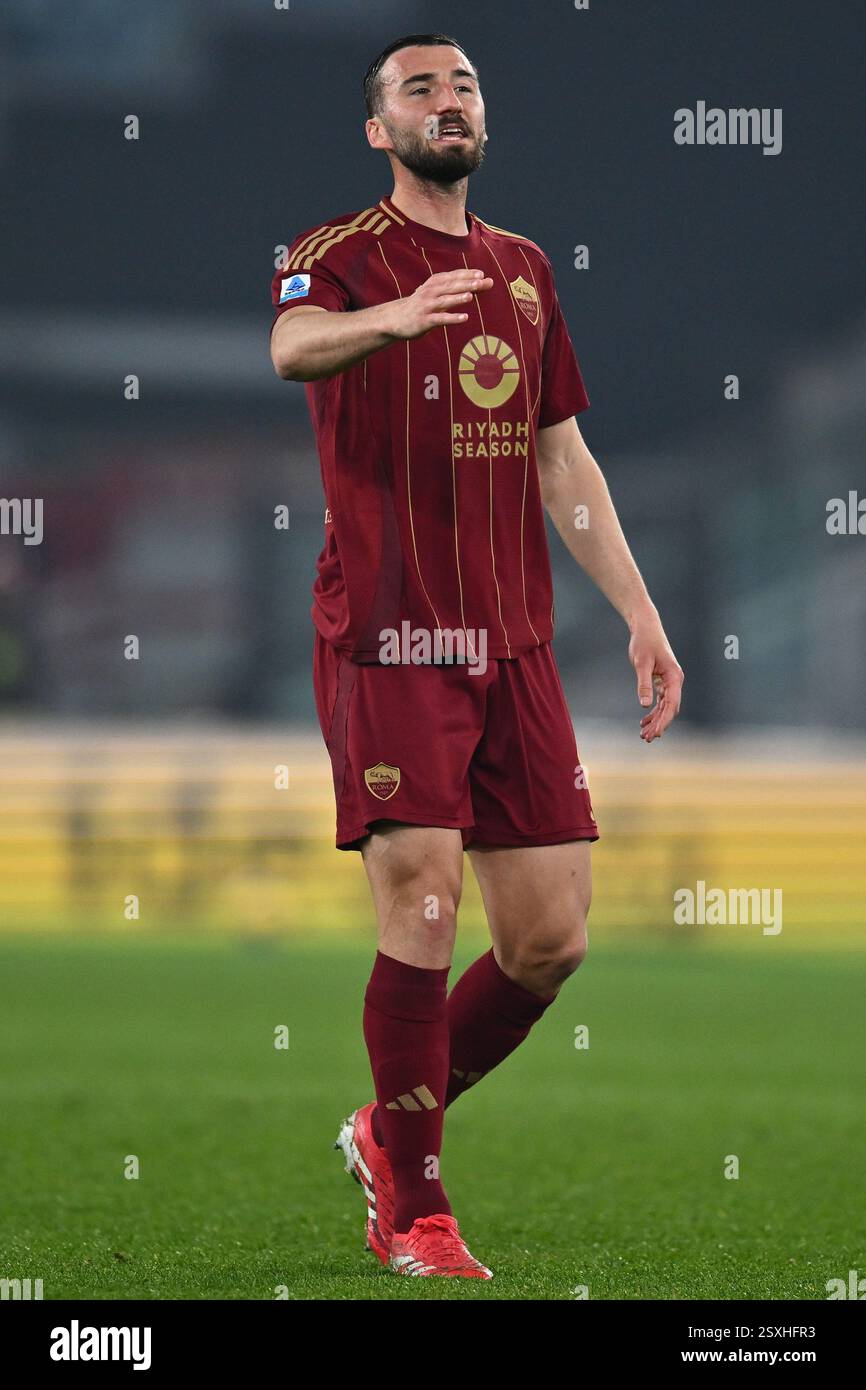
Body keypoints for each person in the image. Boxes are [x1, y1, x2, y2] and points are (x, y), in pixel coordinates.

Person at [269, 32, 684, 1280]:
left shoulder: (522, 269)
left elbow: (560, 456)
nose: (445, 102)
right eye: (417, 89)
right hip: (392, 635)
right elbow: (289, 352)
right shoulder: (331, 260)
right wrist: (394, 318)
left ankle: (375, 1130)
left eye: (461, 86)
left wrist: (639, 610)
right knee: (424, 907)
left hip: (515, 644)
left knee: (550, 939)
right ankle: (417, 1209)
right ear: (376, 130)